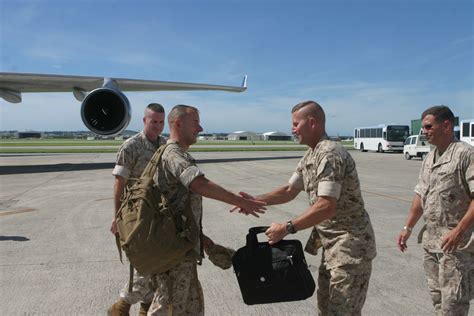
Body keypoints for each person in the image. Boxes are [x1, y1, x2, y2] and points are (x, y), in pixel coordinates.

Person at [235, 100, 377, 315]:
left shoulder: (330, 153)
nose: (292, 129)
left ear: (312, 123)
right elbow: (288, 190)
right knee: (326, 308)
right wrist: (253, 201)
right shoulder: (311, 155)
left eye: (295, 124)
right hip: (332, 246)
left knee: (342, 311)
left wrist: (287, 227)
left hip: (350, 246)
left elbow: (326, 206)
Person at [147, 104, 266, 315]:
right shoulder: (173, 153)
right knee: (166, 307)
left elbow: (174, 208)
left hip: (182, 248)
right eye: (195, 123)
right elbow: (198, 183)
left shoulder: (169, 152)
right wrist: (241, 201)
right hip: (174, 254)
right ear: (178, 123)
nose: (200, 129)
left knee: (191, 307)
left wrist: (202, 240)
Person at [397, 105, 473, 315]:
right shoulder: (430, 158)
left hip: (457, 247)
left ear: (446, 125)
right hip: (432, 244)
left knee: (454, 305)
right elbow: (421, 195)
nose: (424, 132)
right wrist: (408, 227)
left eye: (429, 126)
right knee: (438, 301)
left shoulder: (465, 154)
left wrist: (458, 230)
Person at [108, 103, 167, 316]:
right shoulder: (130, 146)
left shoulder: (165, 145)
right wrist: (116, 218)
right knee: (146, 262)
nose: (158, 126)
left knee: (158, 262)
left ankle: (144, 308)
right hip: (135, 215)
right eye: (154, 122)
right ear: (144, 121)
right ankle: (121, 307)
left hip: (158, 215)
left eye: (161, 122)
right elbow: (118, 184)